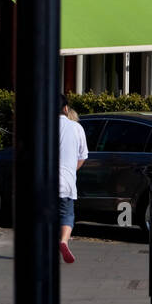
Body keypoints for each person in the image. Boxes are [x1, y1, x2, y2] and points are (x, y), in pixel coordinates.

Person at [59, 94, 88, 264]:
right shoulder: (76, 128)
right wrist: (71, 169)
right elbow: (83, 155)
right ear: (65, 109)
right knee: (67, 215)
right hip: (66, 182)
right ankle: (63, 240)